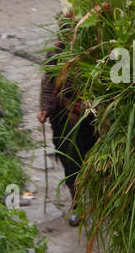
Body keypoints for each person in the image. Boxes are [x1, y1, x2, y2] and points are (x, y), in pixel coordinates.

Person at [37, 23, 96, 226]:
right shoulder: (56, 53)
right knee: (69, 161)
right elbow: (48, 83)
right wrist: (45, 108)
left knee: (91, 159)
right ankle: (77, 202)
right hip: (64, 119)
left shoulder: (94, 49)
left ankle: (99, 197)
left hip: (90, 119)